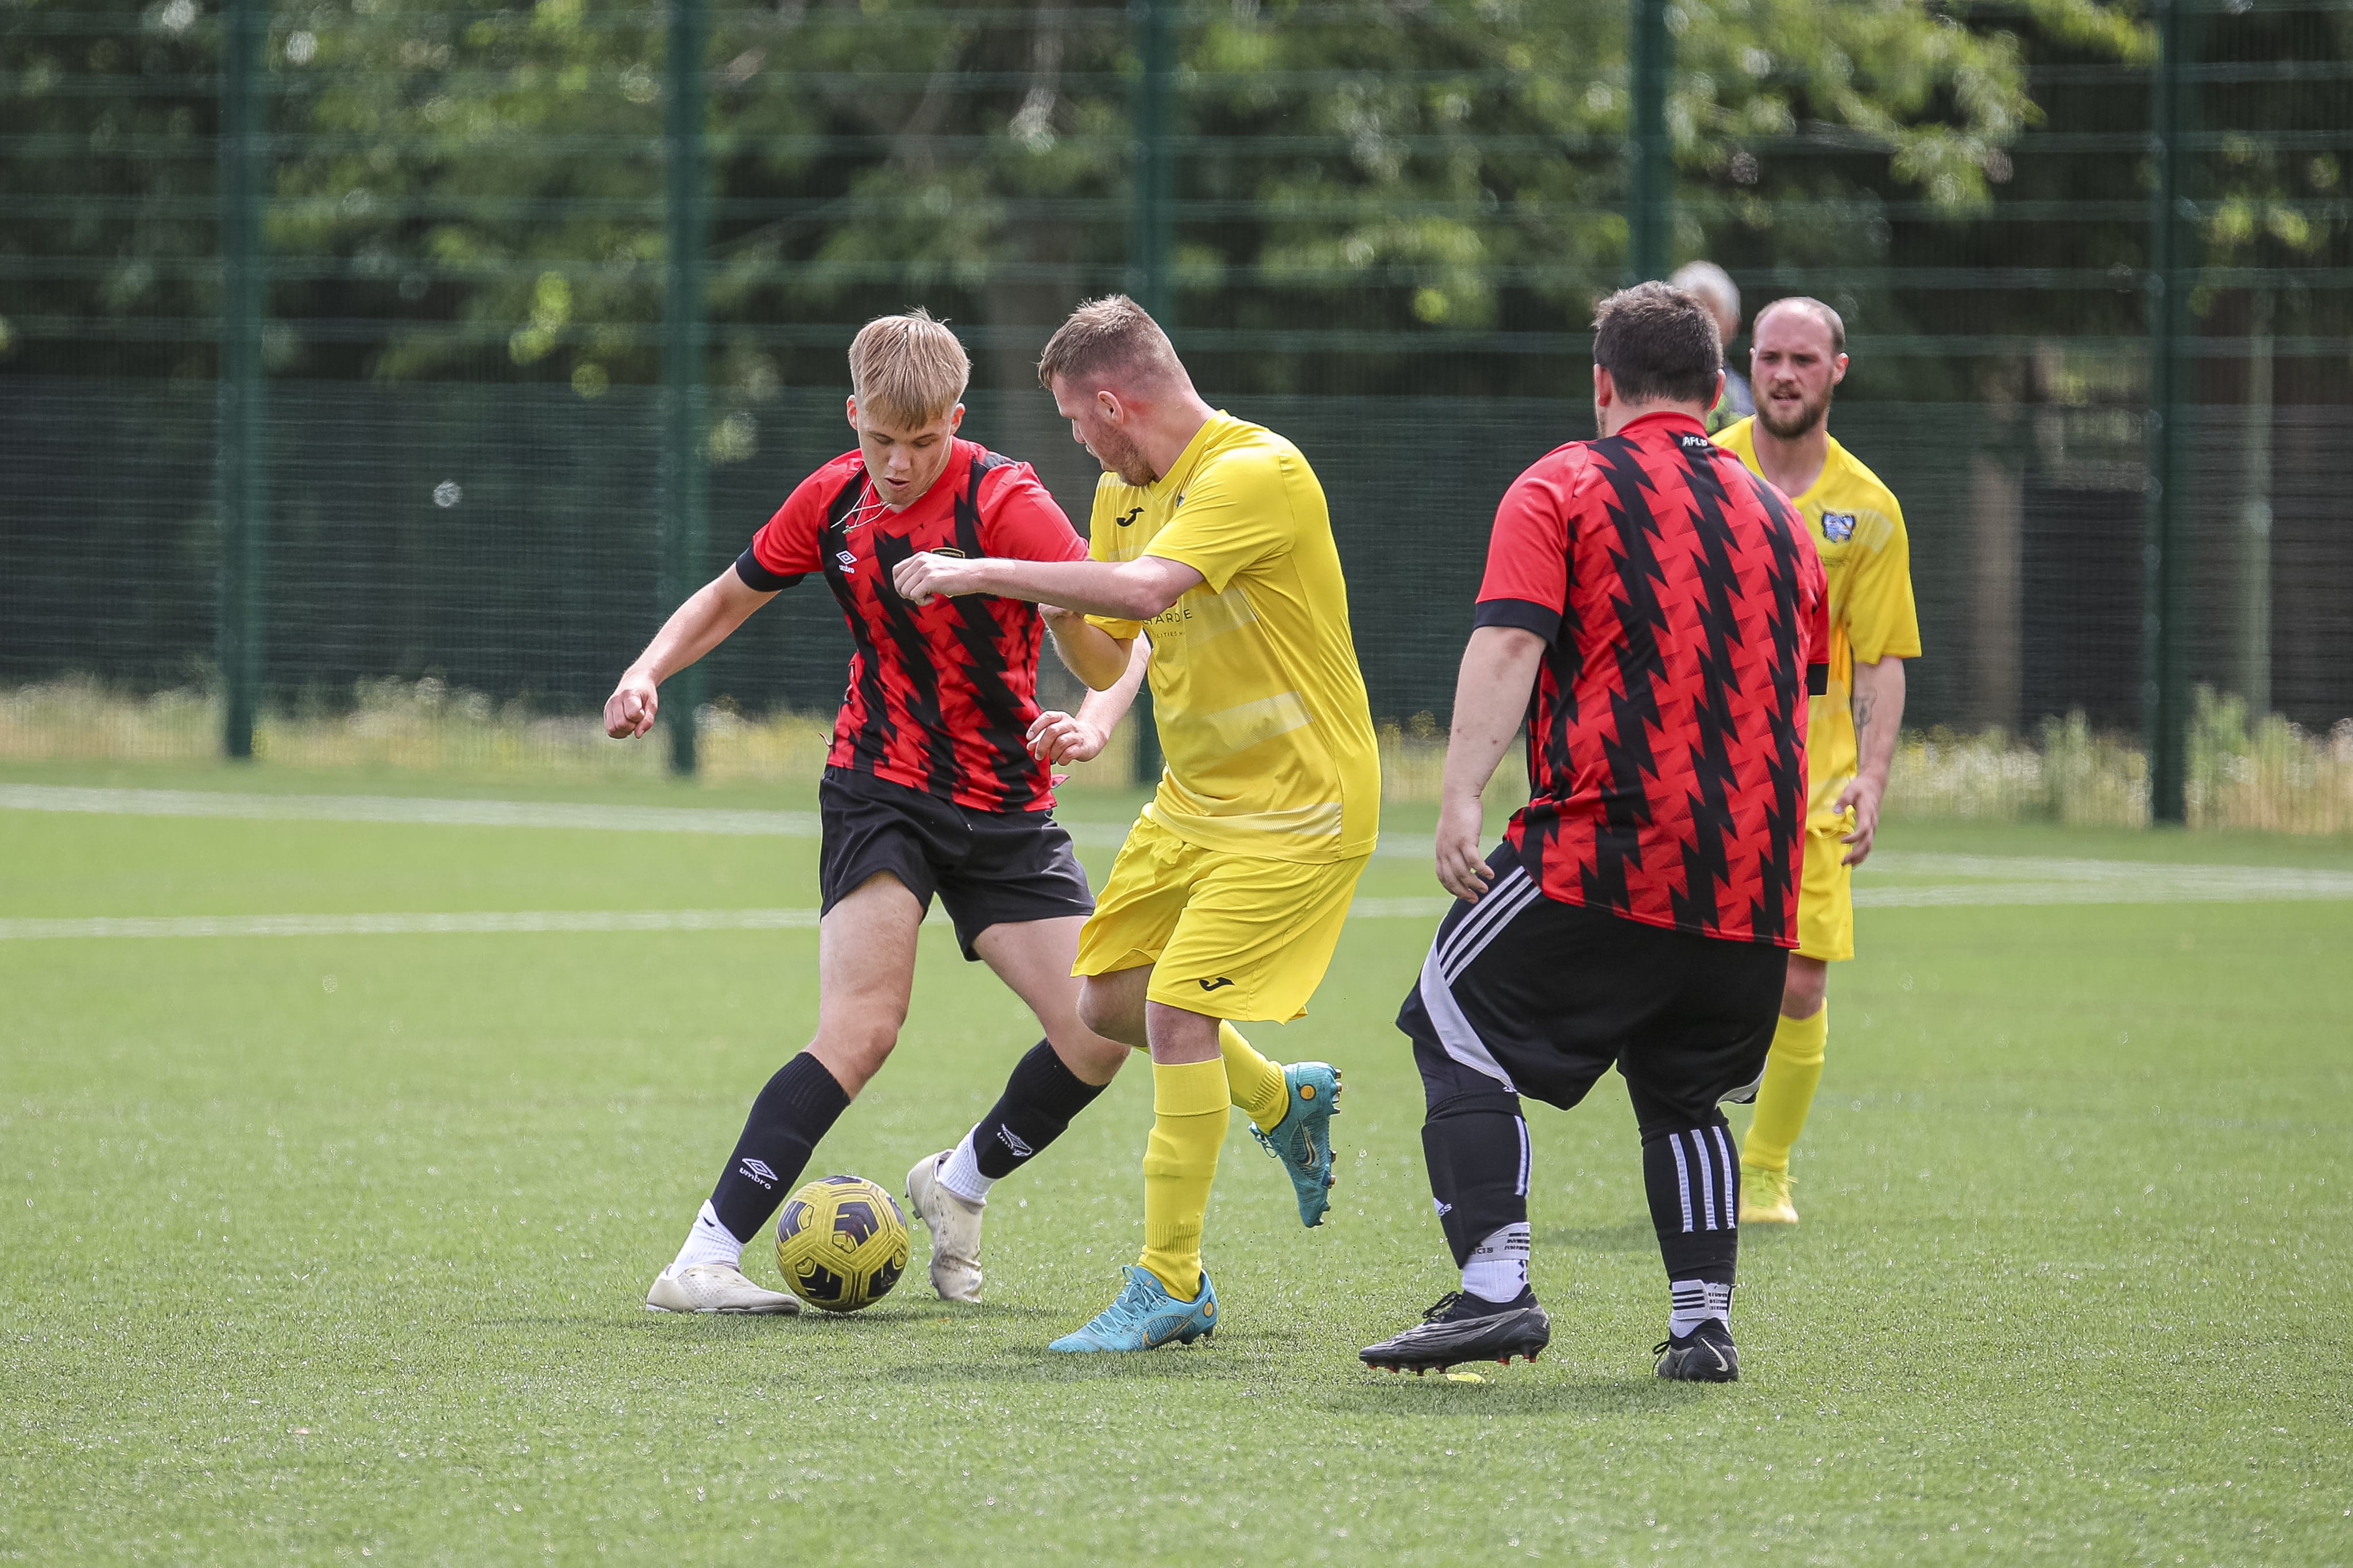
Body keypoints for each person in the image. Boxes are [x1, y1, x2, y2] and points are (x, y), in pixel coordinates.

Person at [606, 308, 1154, 1315]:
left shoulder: (1006, 499)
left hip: (1005, 804)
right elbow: (728, 598)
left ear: (956, 418)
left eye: (922, 441)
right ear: (852, 415)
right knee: (861, 1027)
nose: (899, 464)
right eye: (879, 440)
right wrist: (647, 671)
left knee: (1098, 1034)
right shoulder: (834, 500)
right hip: (881, 784)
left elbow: (1124, 630)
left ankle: (958, 1184)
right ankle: (703, 1258)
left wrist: (1093, 719)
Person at [1357, 281, 1826, 1383]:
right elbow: (1792, 699)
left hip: (1607, 846)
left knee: (1446, 1012)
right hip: (1753, 880)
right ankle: (1701, 1328)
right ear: (1720, 394)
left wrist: (1462, 793)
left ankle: (1493, 1294)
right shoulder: (1781, 520)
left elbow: (1512, 646)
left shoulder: (1563, 483)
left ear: (1603, 385)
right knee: (1682, 1088)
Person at [894, 295, 1380, 1354]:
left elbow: (1152, 586)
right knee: (1104, 1002)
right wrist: (1087, 695)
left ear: (1113, 401)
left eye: (1076, 420)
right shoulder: (1124, 488)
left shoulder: (1256, 472)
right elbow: (1125, 640)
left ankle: (1172, 1283)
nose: (1078, 441)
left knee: (1171, 1011)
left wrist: (982, 569)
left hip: (1298, 805)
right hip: (1197, 801)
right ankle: (1277, 1101)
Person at [1714, 296, 1921, 1225]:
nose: (1784, 374)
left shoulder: (1868, 510)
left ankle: (1764, 1170)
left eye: (1804, 358)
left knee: (1800, 978)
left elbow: (1878, 654)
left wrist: (1870, 778)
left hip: (1811, 775)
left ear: (1837, 369)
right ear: (1746, 364)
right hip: (1704, 770)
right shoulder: (1705, 471)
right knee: (1683, 972)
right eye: (1769, 357)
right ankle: (1709, 1087)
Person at [1671, 260, 1755, 432]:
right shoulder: (1647, 385)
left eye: (1711, 314)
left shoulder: (1744, 403)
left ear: (1734, 325)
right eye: (1691, 314)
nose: (1700, 325)